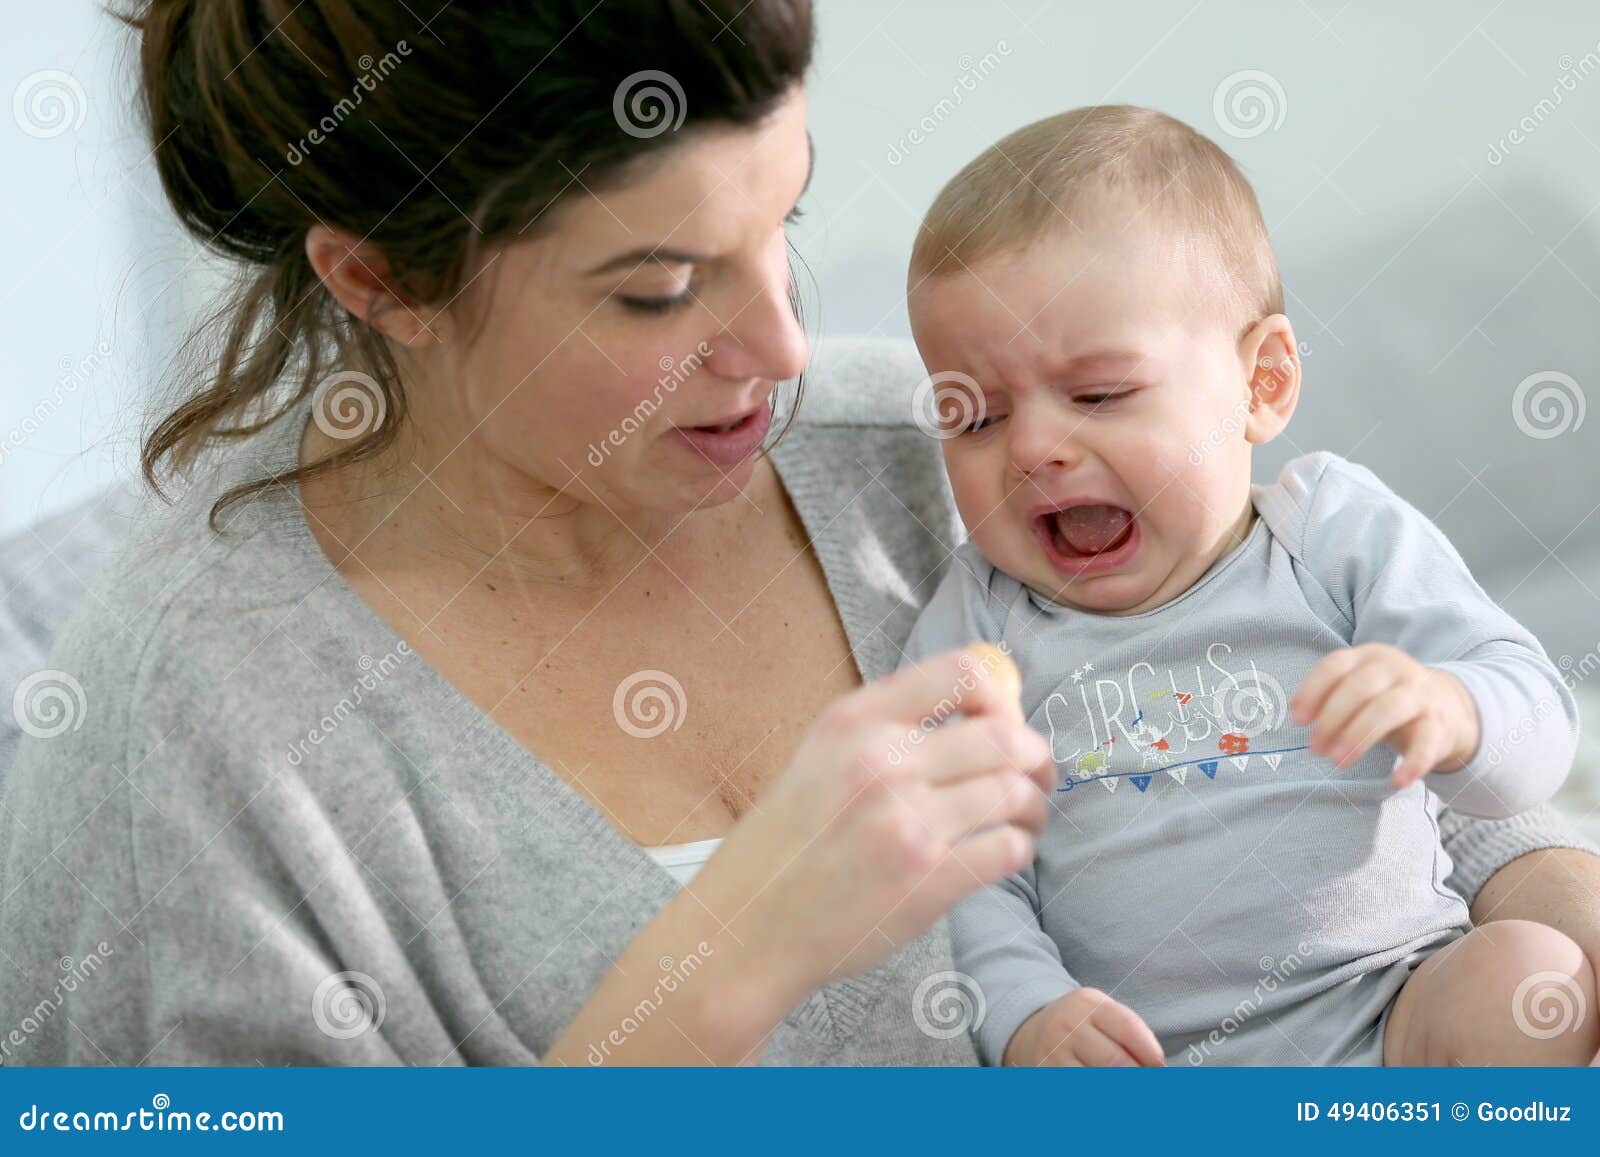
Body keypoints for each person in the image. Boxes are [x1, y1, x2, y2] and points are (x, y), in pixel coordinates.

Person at [0, 4, 1594, 1066]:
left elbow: (1397, 790)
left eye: (786, 224)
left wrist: (1549, 897)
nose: (780, 348)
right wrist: (723, 964)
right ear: (380, 283)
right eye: (657, 287)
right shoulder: (194, 731)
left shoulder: (940, 455)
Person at [902, 104, 1599, 1067]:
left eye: (1100, 394)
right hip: (1152, 1065)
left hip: (1392, 1017)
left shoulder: (1335, 539)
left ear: (1262, 384)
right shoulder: (978, 627)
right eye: (973, 417)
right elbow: (953, 862)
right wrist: (1028, 1008)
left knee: (1535, 978)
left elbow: (1533, 728)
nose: (1032, 450)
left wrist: (1456, 708)